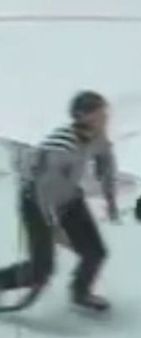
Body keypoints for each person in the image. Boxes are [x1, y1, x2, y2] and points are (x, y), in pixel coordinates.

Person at [0, 90, 119, 312]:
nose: (106, 118)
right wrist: (53, 230)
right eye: (100, 114)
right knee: (41, 269)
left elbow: (106, 161)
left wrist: (110, 198)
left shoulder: (96, 138)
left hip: (68, 197)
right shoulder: (61, 147)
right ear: (83, 116)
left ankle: (80, 291)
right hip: (36, 202)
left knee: (95, 251)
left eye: (105, 113)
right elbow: (43, 191)